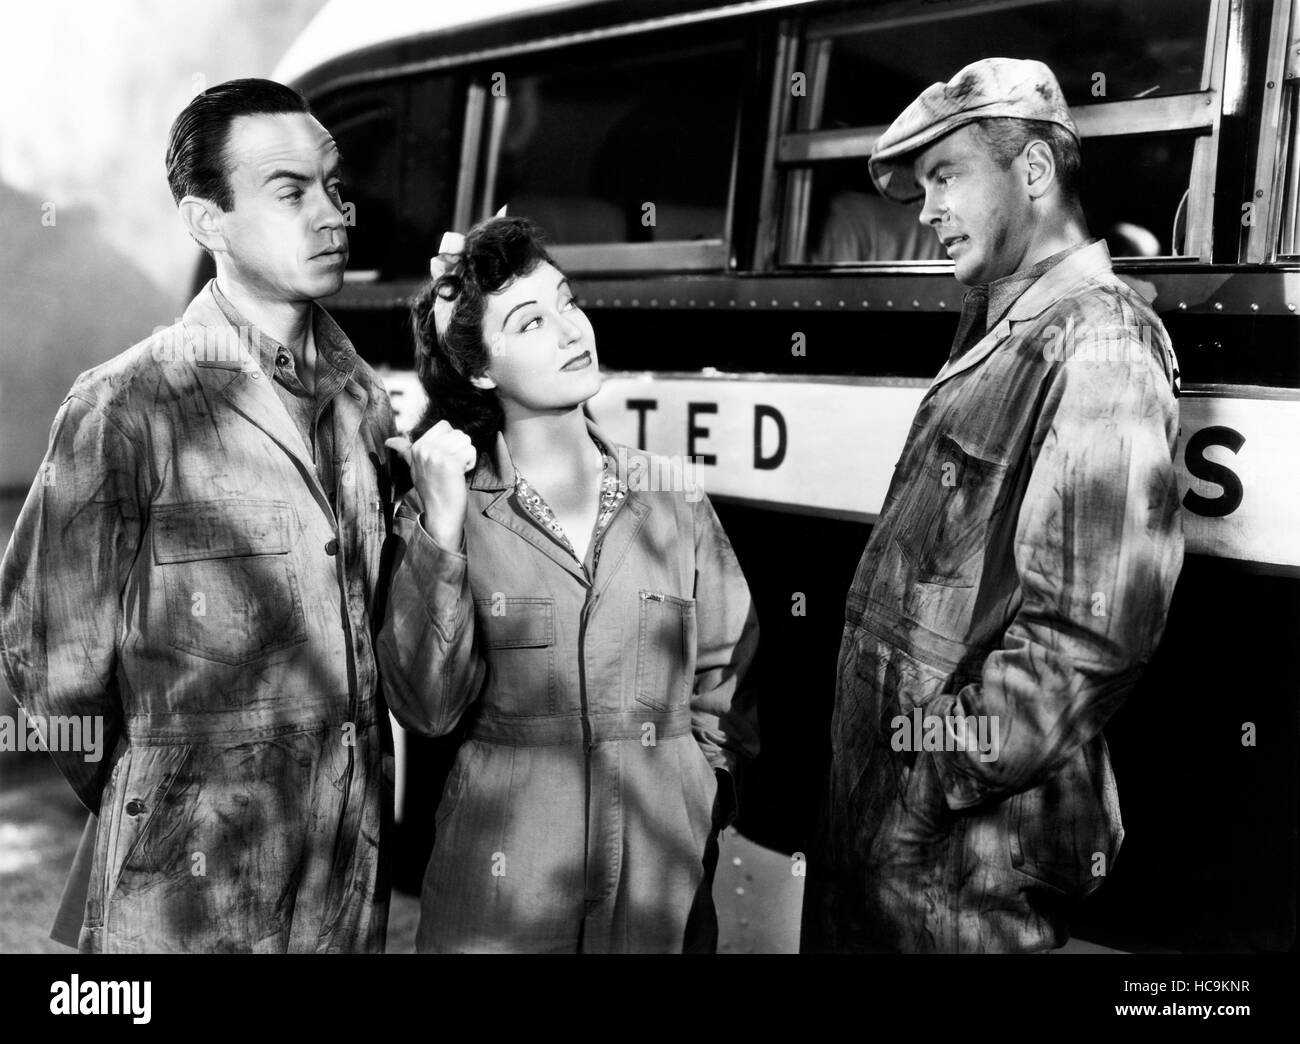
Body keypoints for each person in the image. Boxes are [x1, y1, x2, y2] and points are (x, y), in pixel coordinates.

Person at [0, 78, 397, 952]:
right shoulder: (129, 404)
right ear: (206, 221)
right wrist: (164, 793)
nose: (332, 213)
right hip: (185, 900)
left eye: (334, 185)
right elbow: (50, 653)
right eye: (289, 193)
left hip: (342, 889)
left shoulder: (362, 401)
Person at [801, 58, 1184, 953]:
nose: (927, 210)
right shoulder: (1000, 319)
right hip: (899, 843)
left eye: (946, 177)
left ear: (1035, 172)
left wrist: (925, 783)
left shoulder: (1101, 340)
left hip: (961, 854)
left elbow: (1086, 635)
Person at [377, 215, 759, 953]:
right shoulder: (447, 513)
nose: (569, 328)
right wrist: (444, 533)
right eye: (529, 321)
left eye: (567, 301)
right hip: (502, 901)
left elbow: (728, 676)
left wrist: (697, 797)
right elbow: (425, 708)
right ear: (481, 370)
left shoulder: (673, 498)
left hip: (660, 898)